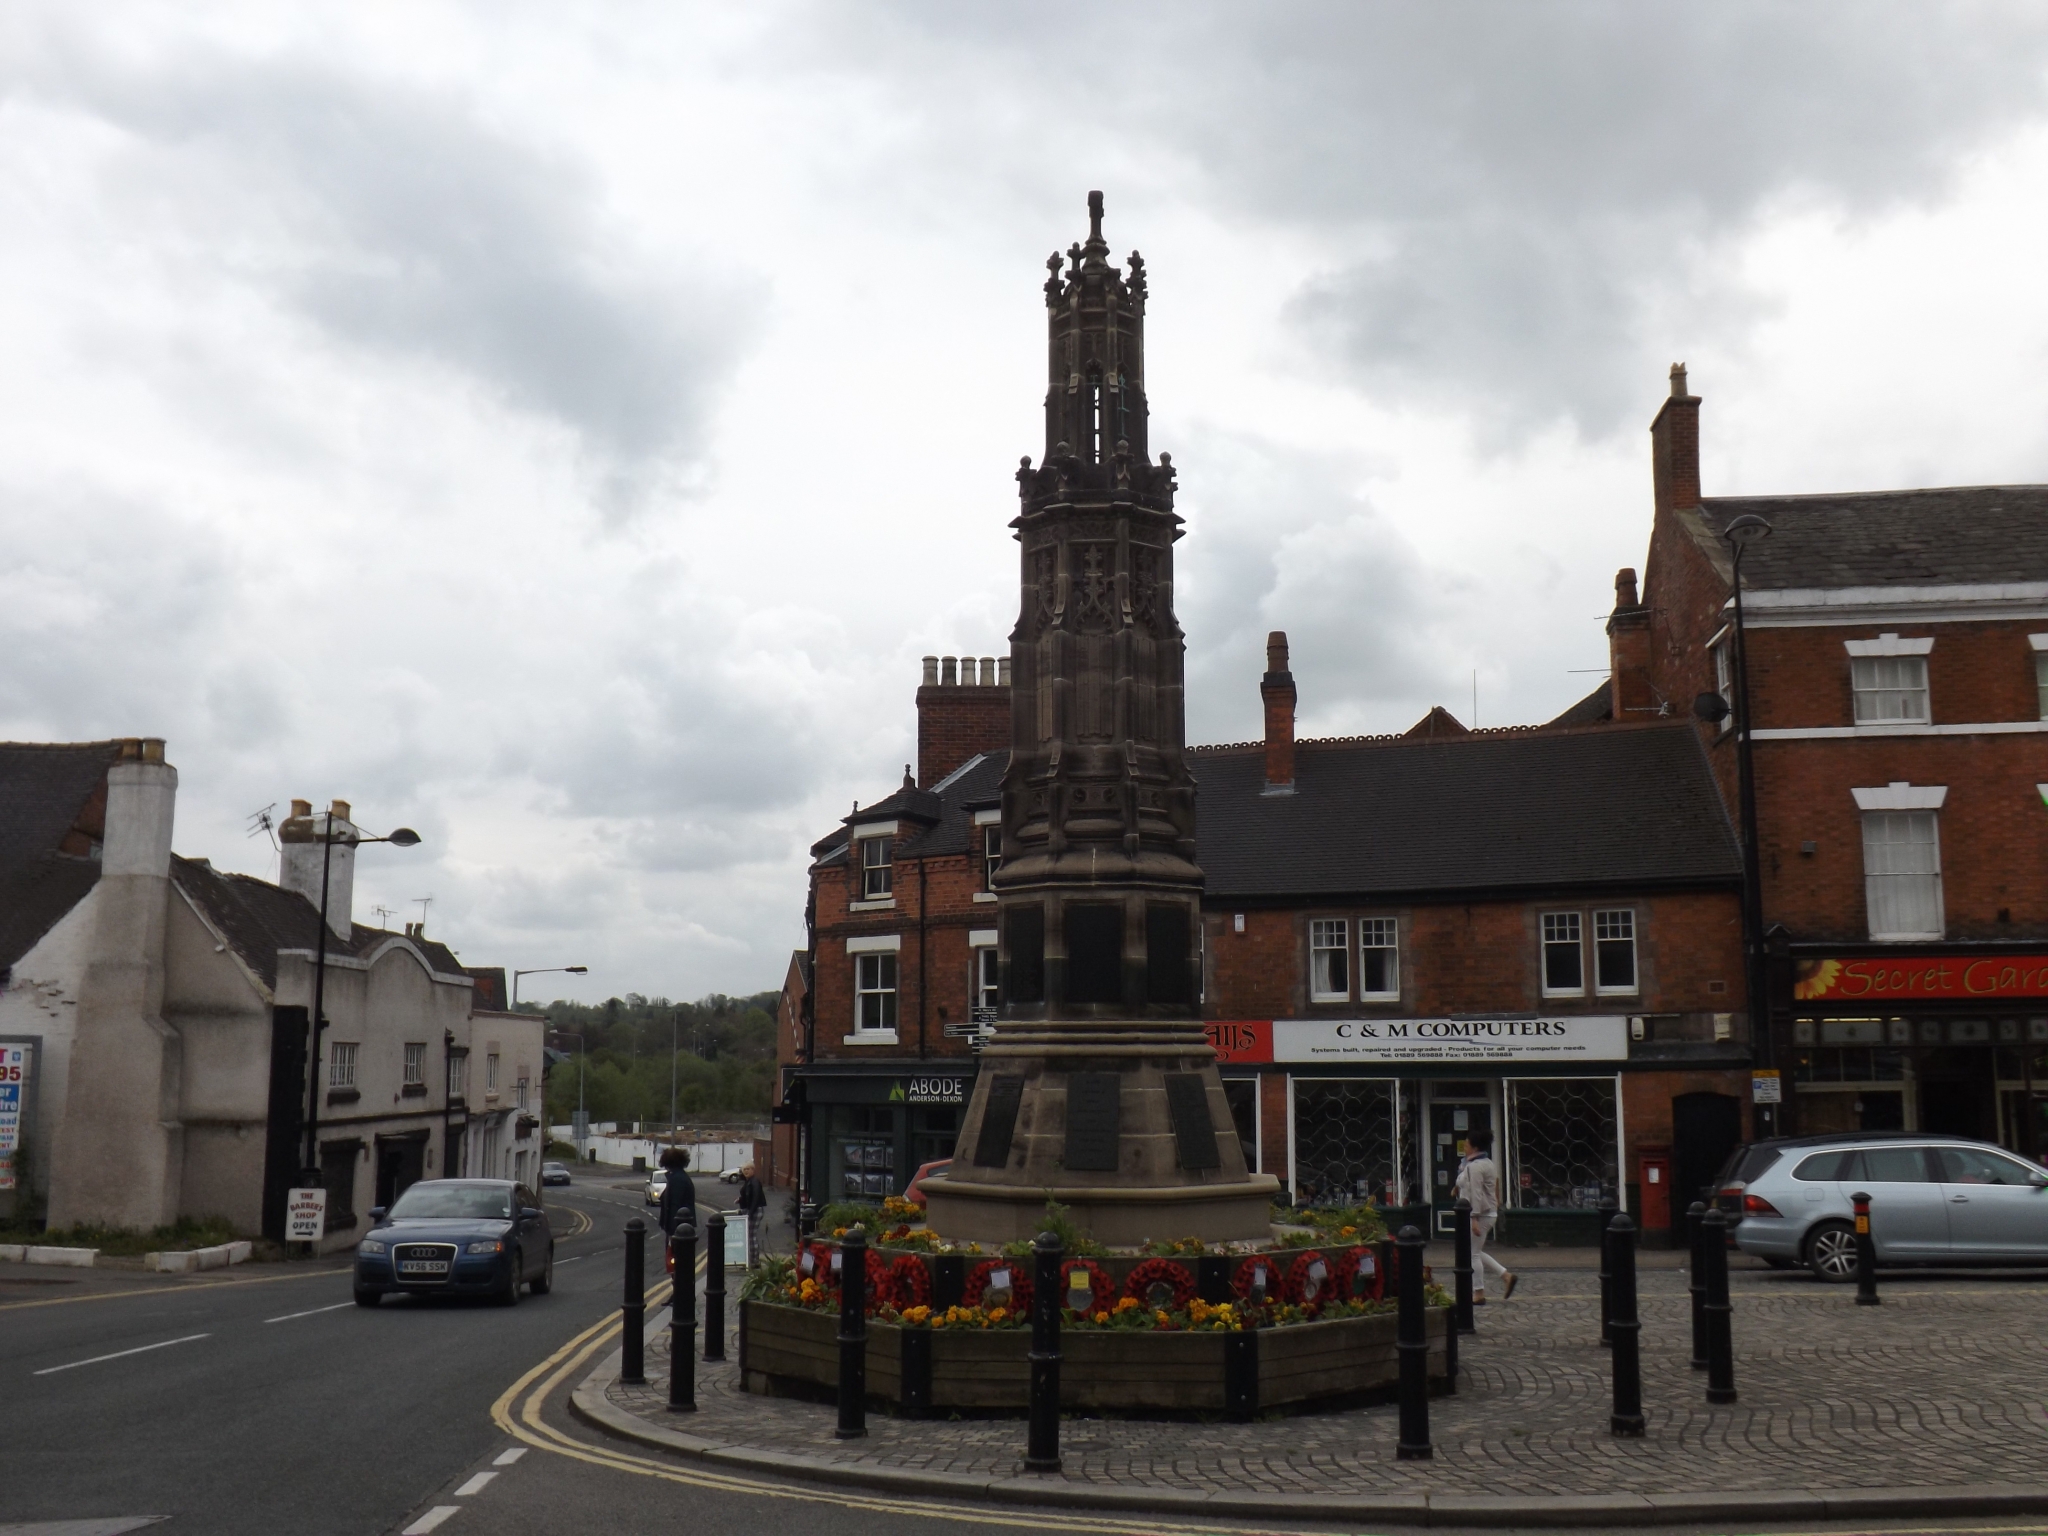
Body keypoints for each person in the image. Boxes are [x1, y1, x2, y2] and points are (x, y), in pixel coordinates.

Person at [1453, 1129, 1516, 1301]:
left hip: (1480, 1215)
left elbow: (1475, 1194)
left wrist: (1473, 1219)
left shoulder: (1475, 1167)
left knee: (1472, 1254)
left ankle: (1479, 1292)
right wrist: (1456, 1187)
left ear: (1474, 1147)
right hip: (1487, 1213)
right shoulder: (1485, 1163)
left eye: (1466, 1144)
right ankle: (1505, 1276)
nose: (1464, 1147)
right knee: (1475, 1251)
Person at [657, 1146, 696, 1240]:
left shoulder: (677, 1180)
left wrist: (672, 1232)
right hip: (680, 1229)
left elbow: (675, 1206)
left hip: (678, 1231)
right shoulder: (678, 1177)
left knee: (676, 1254)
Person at [734, 1163, 767, 1260]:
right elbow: (749, 1196)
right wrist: (740, 1199)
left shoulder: (755, 1182)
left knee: (751, 1235)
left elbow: (756, 1198)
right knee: (749, 1235)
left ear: (753, 1170)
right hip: (752, 1210)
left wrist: (749, 1213)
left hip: (755, 1210)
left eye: (748, 1169)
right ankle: (752, 1258)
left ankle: (754, 1260)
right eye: (744, 1169)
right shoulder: (749, 1181)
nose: (746, 1171)